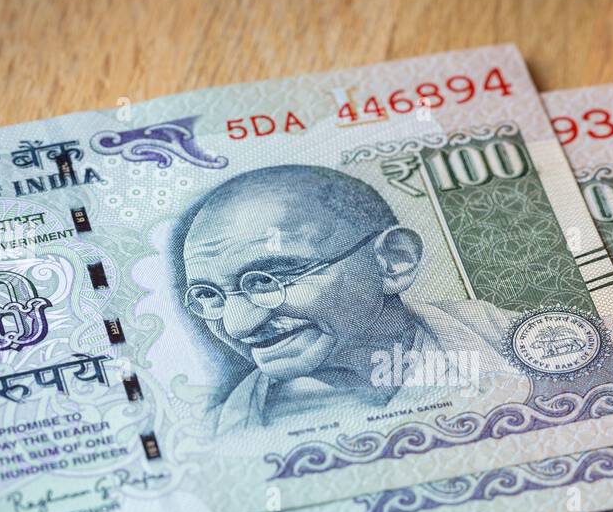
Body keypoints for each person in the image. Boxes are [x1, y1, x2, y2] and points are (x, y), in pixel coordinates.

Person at [174, 164, 517, 432]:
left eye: (272, 278)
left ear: (393, 262)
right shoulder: (229, 431)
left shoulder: (518, 345)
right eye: (208, 295)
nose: (238, 326)